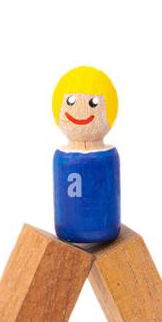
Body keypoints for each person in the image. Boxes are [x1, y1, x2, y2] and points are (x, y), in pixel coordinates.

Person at [51, 66, 120, 244]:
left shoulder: (107, 157)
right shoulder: (63, 158)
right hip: (68, 230)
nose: (80, 111)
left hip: (106, 228)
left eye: (93, 103)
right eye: (71, 101)